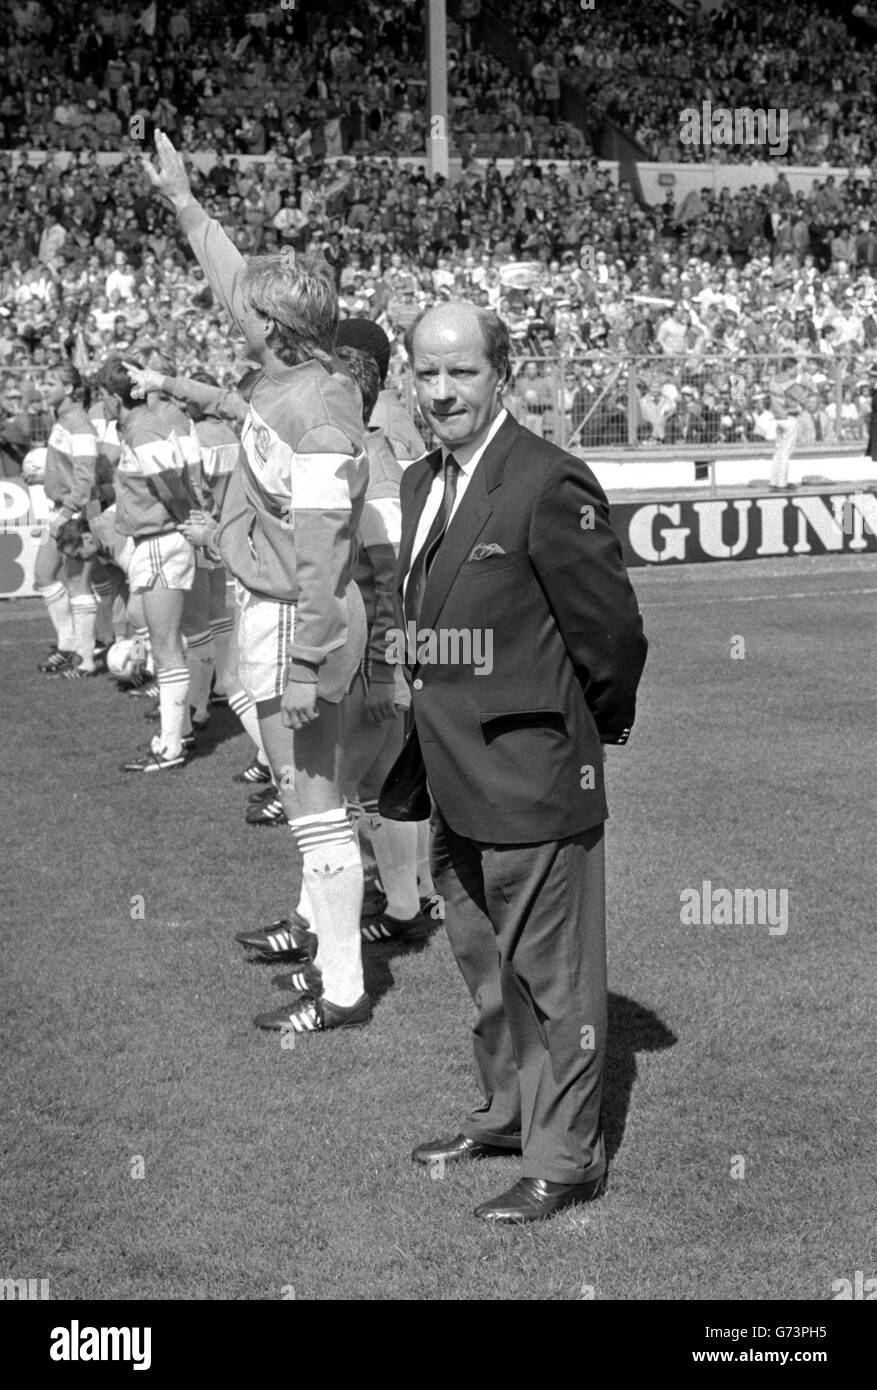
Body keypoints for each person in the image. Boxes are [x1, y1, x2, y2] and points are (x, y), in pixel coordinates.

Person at [384, 300, 647, 1225]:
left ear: (501, 373)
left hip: (534, 780)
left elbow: (609, 636)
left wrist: (577, 737)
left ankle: (566, 1158)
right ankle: (505, 1115)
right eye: (427, 372)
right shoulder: (423, 481)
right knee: (485, 969)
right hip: (447, 774)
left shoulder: (546, 480)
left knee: (554, 977)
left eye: (461, 371)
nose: (444, 389)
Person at [142, 131, 371, 1034]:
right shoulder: (299, 375)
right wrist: (183, 202)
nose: (240, 314)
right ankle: (320, 943)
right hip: (279, 607)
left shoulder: (315, 411)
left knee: (314, 807)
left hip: (294, 618)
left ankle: (345, 989)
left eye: (254, 314)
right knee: (313, 800)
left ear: (276, 330)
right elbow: (233, 278)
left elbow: (319, 553)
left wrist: (309, 660)